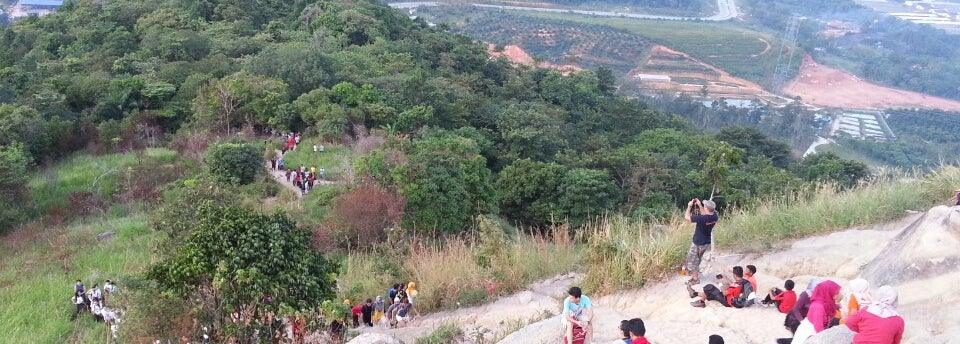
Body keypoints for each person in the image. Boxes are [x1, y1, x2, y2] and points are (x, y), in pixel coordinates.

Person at [684, 198, 719, 285]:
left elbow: (687, 217)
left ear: (706, 208)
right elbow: (705, 215)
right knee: (698, 258)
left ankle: (695, 279)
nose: (704, 207)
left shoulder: (702, 219)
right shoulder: (715, 216)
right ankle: (696, 273)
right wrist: (699, 205)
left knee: (692, 261)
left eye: (704, 206)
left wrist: (689, 206)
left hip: (698, 243)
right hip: (706, 242)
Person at [689, 266, 754, 308]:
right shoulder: (743, 281)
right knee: (712, 295)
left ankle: (701, 302)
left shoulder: (736, 285)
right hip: (735, 297)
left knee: (710, 287)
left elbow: (724, 293)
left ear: (735, 275)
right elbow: (733, 285)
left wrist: (720, 283)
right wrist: (726, 278)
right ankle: (695, 293)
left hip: (727, 301)